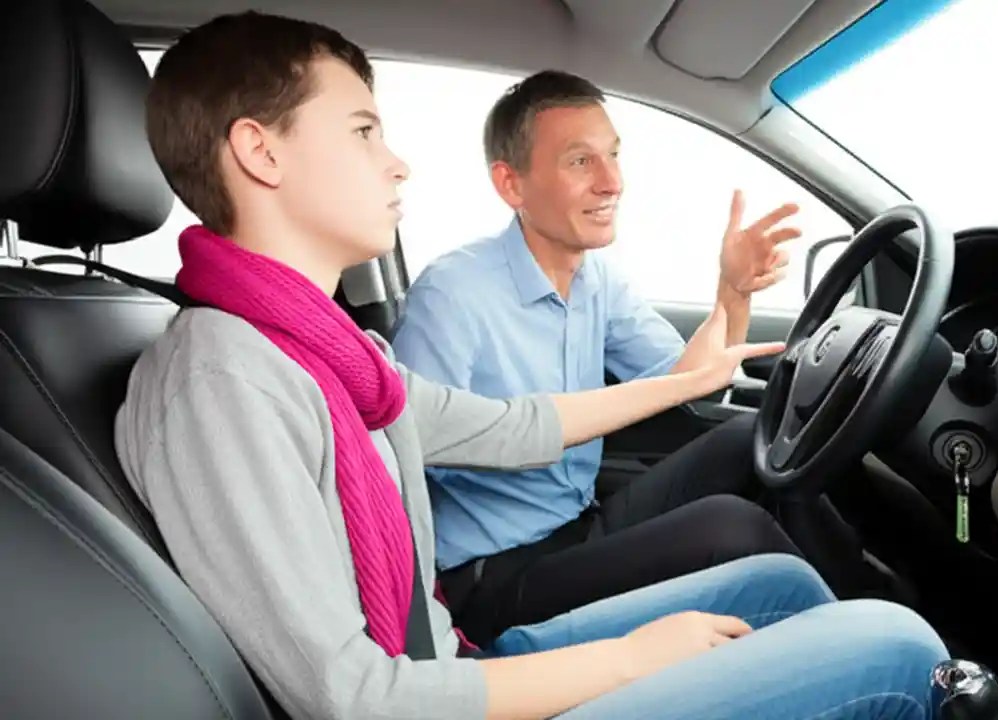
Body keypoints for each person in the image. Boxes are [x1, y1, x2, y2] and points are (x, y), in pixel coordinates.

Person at [115, 11, 949, 720]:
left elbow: (518, 427)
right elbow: (357, 698)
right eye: (364, 130)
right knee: (901, 645)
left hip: (452, 653)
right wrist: (630, 660)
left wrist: (702, 357)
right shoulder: (222, 379)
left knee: (779, 583)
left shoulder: (335, 355)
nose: (397, 161)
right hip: (439, 676)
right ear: (261, 153)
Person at [392, 70, 868, 644]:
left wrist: (733, 294)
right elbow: (407, 456)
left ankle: (874, 608)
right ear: (511, 184)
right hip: (494, 575)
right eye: (579, 162)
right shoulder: (453, 293)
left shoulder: (597, 281)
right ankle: (859, 654)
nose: (612, 181)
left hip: (579, 523)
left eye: (613, 155)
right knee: (732, 526)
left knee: (754, 441)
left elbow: (691, 383)